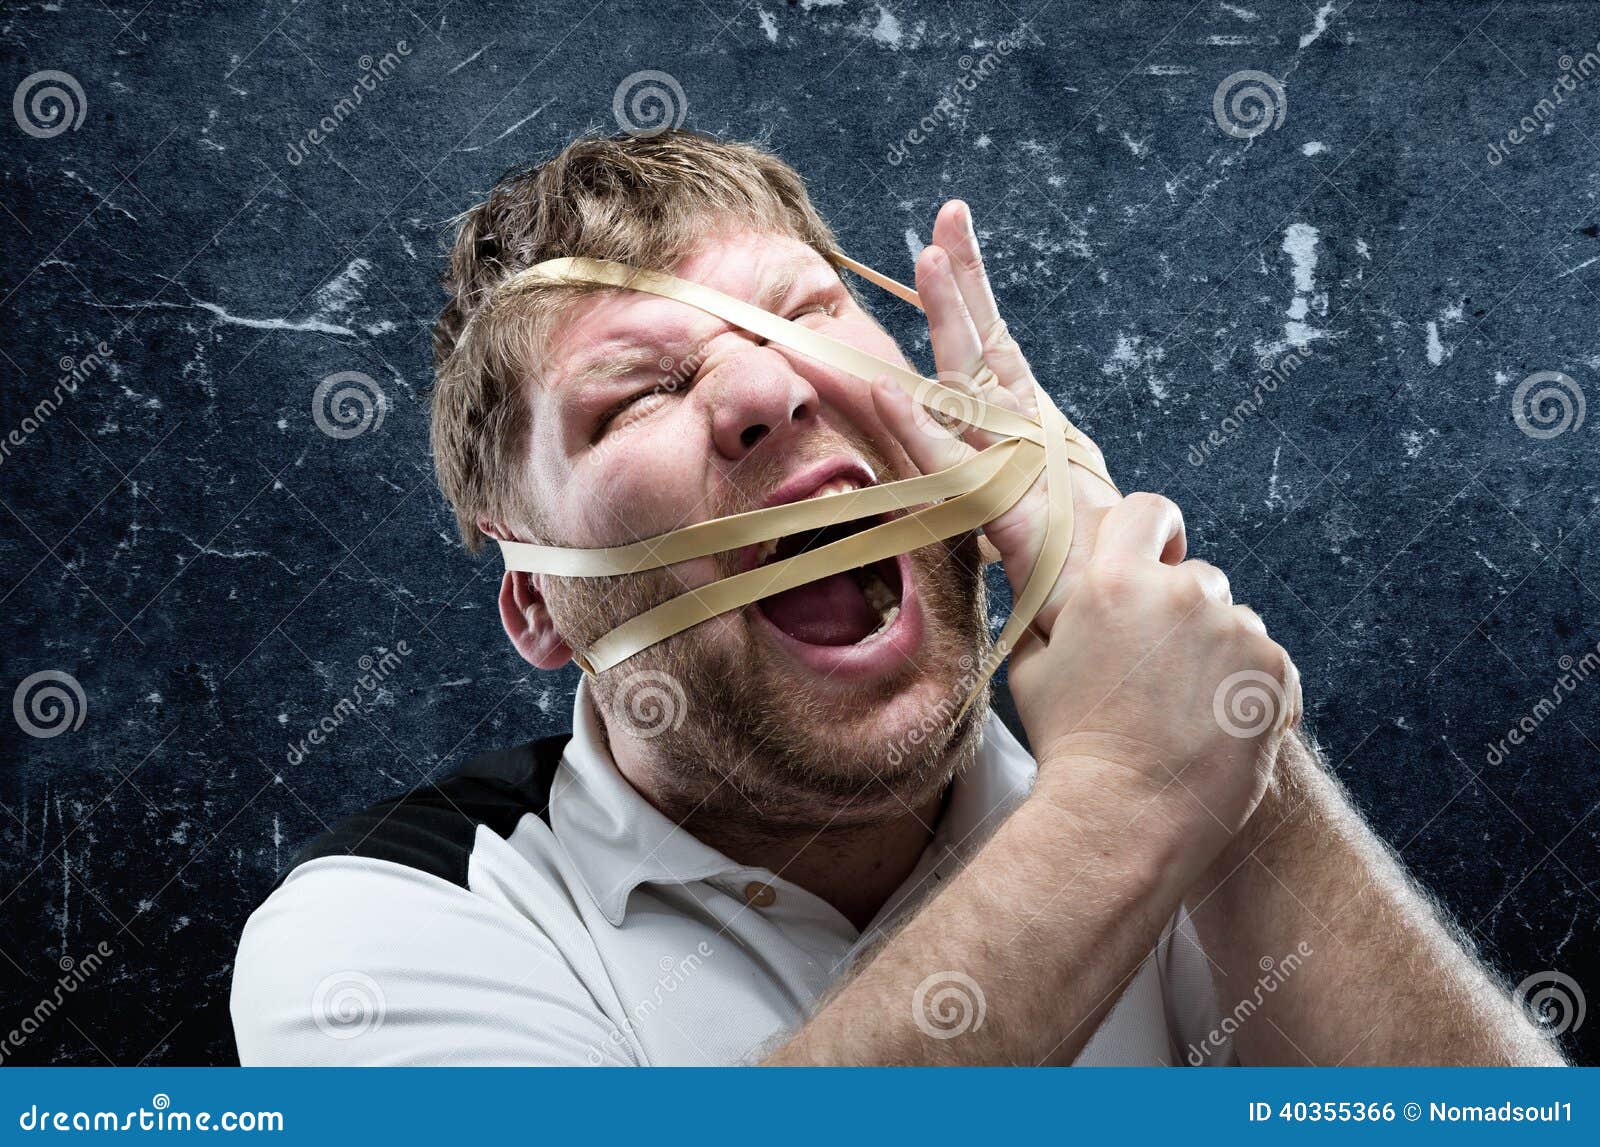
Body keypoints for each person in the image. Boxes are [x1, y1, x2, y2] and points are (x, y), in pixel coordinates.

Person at [231, 129, 1562, 1066]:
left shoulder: (1174, 803)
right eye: (638, 392)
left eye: (805, 316)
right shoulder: (389, 929)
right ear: (535, 602)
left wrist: (1233, 755)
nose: (767, 390)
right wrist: (1133, 800)